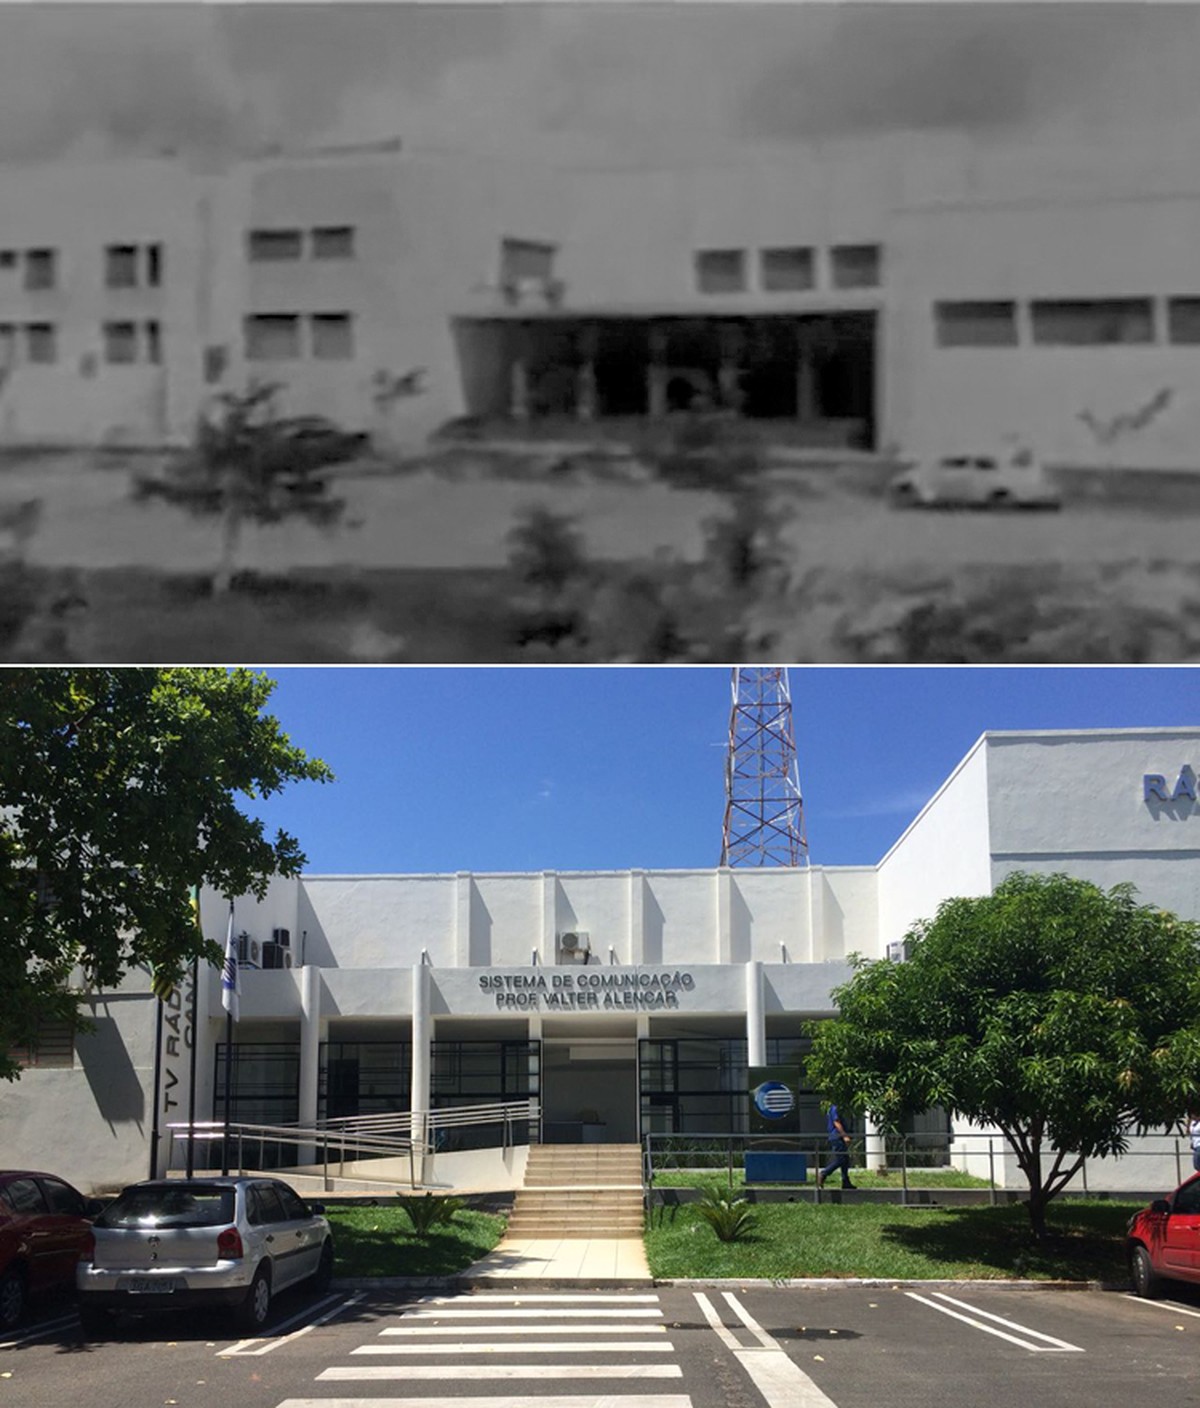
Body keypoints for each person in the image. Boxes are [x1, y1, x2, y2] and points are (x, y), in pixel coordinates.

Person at [817, 1102, 856, 1190]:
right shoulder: (835, 1108)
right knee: (841, 1159)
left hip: (838, 1137)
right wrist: (844, 1135)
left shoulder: (838, 1108)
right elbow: (836, 1122)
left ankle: (845, 1181)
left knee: (845, 1160)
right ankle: (824, 1173)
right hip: (837, 1137)